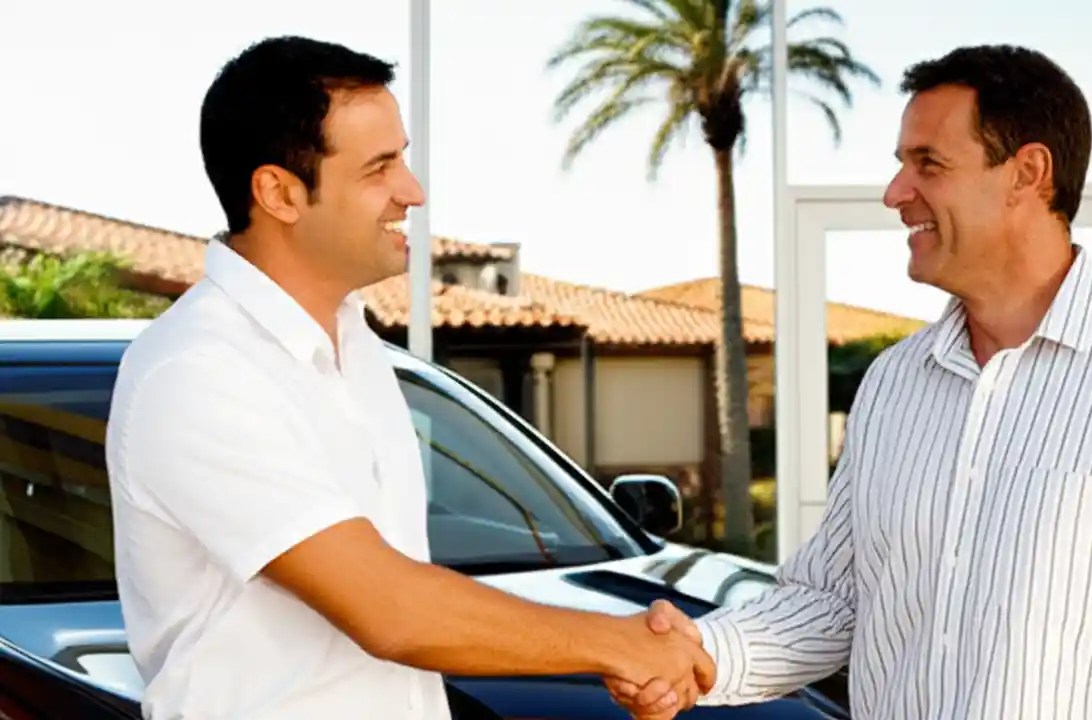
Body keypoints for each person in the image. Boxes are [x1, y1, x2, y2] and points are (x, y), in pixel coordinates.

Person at [610, 43, 1092, 720]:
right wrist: (702, 656)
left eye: (928, 164)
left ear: (1029, 173)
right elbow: (834, 599)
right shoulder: (893, 384)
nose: (896, 194)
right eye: (902, 165)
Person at [104, 35, 712, 719]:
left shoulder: (356, 346)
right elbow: (391, 609)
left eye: (404, 158)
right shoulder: (198, 372)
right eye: (379, 167)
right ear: (279, 191)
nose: (411, 192)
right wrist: (619, 644)